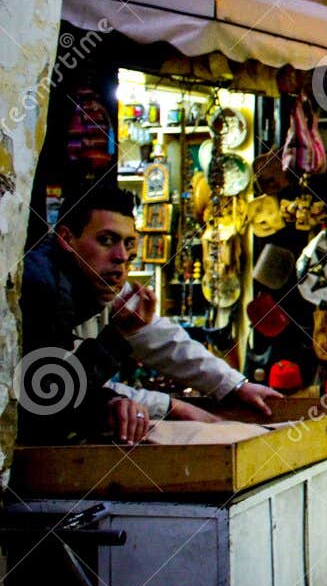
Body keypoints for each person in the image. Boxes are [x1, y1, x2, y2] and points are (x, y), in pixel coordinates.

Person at [19, 184, 282, 445]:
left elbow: (157, 337)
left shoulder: (92, 280)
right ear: (66, 238)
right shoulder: (40, 289)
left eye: (129, 243)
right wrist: (168, 404)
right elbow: (49, 396)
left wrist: (233, 385)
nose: (121, 257)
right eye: (106, 240)